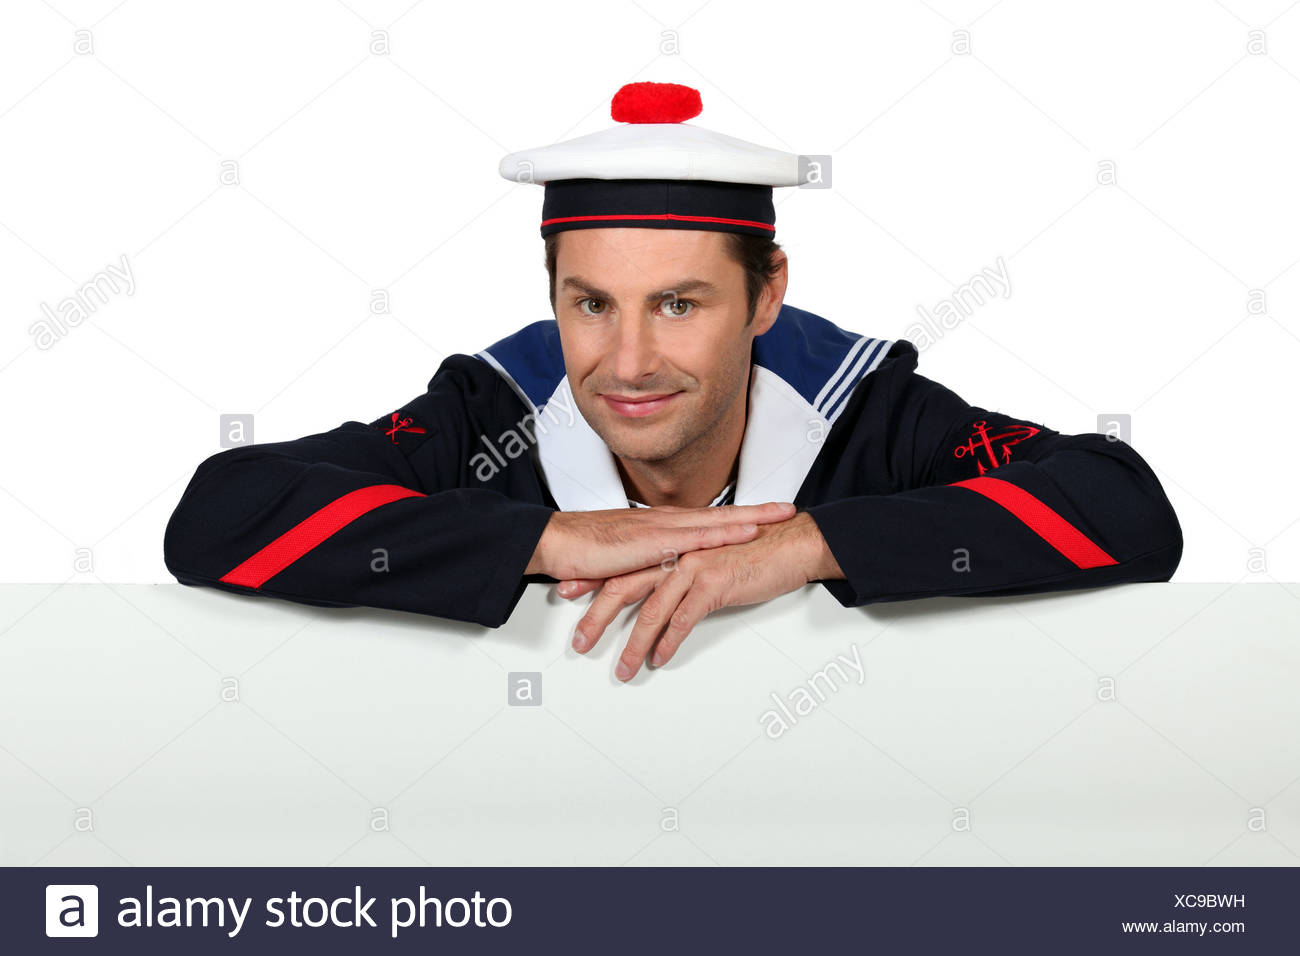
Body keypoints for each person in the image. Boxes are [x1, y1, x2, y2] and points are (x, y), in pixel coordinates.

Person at [163, 82, 1182, 682]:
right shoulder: (489, 417)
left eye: (680, 304)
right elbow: (220, 516)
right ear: (552, 292)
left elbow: (1124, 508)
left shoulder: (873, 415)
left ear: (767, 291)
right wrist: (547, 536)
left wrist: (807, 543)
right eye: (592, 303)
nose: (630, 362)